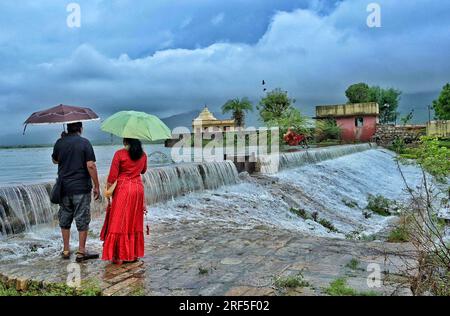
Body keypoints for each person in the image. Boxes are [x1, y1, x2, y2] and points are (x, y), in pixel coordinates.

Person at [52, 122, 100, 262]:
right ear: (80, 129)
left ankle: (66, 250)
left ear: (67, 129)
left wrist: (62, 141)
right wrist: (97, 185)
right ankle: (81, 251)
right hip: (81, 188)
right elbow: (90, 165)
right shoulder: (85, 142)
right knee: (82, 218)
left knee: (65, 218)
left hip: (64, 188)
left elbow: (55, 161)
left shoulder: (59, 142)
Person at [101, 138, 148, 264]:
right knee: (134, 221)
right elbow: (143, 170)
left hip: (123, 189)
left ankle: (119, 256)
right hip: (138, 189)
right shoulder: (143, 155)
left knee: (119, 222)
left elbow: (112, 176)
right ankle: (133, 255)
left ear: (125, 141)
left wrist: (108, 190)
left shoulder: (119, 154)